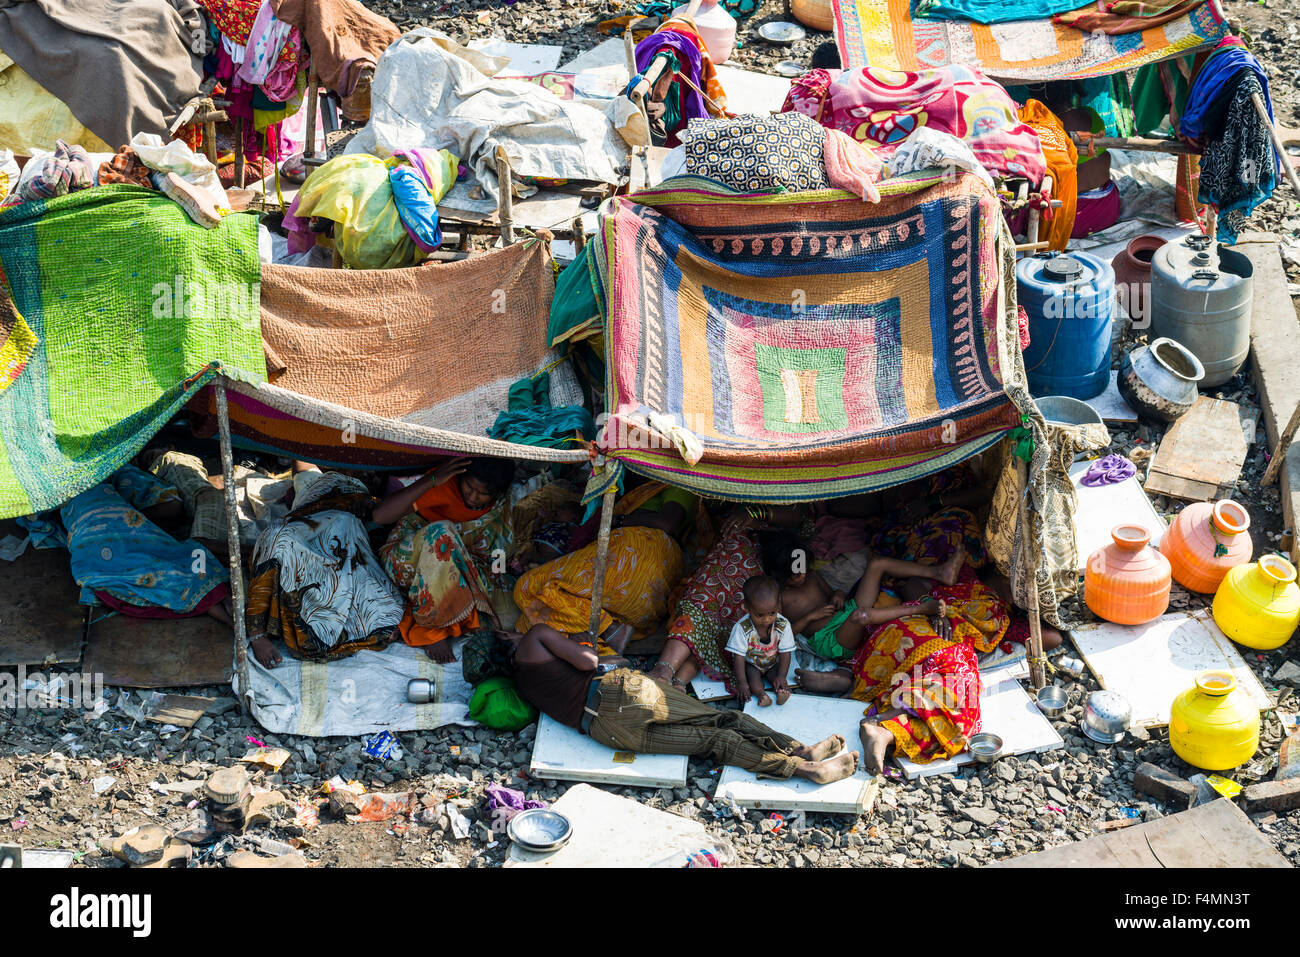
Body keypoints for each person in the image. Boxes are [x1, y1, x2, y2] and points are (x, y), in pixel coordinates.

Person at [504, 626, 859, 783]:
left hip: (606, 731)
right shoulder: (533, 637)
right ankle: (800, 750)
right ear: (506, 641)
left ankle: (806, 769)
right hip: (621, 694)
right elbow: (589, 661)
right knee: (726, 720)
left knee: (715, 743)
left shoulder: (523, 685)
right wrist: (588, 648)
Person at [245, 466, 405, 668]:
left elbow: (367, 574)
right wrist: (256, 635)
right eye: (363, 471)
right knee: (277, 539)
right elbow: (303, 466)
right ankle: (258, 635)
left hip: (342, 546)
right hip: (304, 520)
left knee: (378, 616)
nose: (368, 474)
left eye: (376, 474)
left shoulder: (363, 515)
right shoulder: (286, 529)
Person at [511, 481, 697, 650]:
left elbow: (668, 523)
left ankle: (609, 627)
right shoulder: (633, 484)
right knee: (533, 618)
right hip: (640, 609)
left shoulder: (678, 485)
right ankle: (608, 639)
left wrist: (616, 520)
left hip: (639, 549)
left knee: (527, 585)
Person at [648, 506, 807, 692]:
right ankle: (667, 674)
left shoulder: (792, 547)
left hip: (760, 569)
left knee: (714, 622)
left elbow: (801, 531)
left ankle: (672, 678)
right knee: (705, 606)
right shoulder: (740, 538)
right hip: (738, 555)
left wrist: (758, 514)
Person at [375, 456, 516, 663]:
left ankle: (441, 613)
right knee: (442, 533)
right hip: (405, 563)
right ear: (461, 476)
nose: (474, 497)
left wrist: (493, 581)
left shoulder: (500, 505)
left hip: (459, 568)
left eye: (483, 494)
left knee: (510, 614)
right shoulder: (442, 484)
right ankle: (432, 629)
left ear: (496, 493)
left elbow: (498, 552)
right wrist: (431, 480)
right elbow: (379, 516)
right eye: (469, 487)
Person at [761, 529, 966, 663]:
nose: (803, 575)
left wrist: (839, 595)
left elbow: (834, 594)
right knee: (861, 616)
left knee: (877, 564)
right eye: (796, 574)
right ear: (779, 575)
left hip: (847, 611)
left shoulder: (811, 576)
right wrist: (809, 618)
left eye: (804, 567)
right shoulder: (779, 598)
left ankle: (940, 573)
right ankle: (921, 608)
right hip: (832, 639)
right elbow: (780, 638)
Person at [726, 576, 795, 707]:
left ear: (778, 603)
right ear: (747, 606)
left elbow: (786, 652)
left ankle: (781, 692)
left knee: (776, 677)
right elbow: (738, 658)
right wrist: (741, 682)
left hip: (772, 663)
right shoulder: (742, 628)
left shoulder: (782, 624)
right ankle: (762, 695)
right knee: (753, 680)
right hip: (752, 664)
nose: (767, 620)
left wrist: (782, 676)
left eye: (772, 613)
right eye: (759, 615)